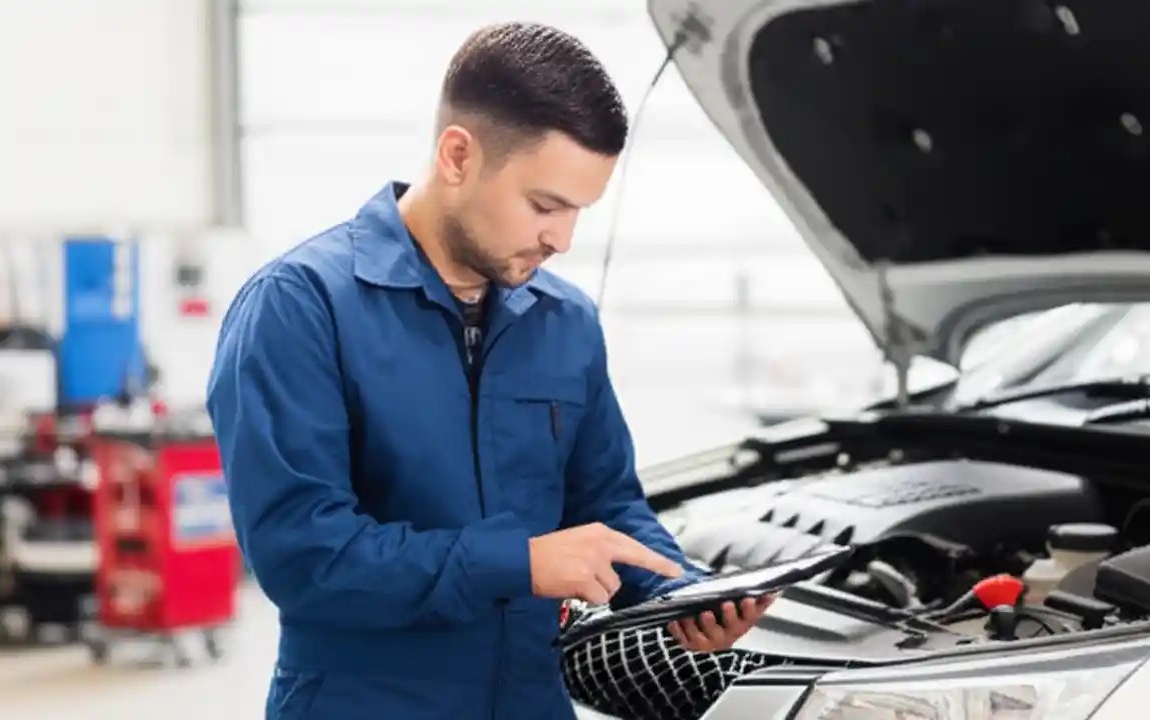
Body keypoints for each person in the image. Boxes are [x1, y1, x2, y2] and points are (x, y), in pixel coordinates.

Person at [205, 21, 775, 720]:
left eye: (578, 212)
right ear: (456, 156)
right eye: (545, 205)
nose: (562, 240)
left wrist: (676, 590)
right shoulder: (298, 308)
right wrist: (521, 563)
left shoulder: (564, 321)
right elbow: (304, 557)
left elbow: (606, 502)